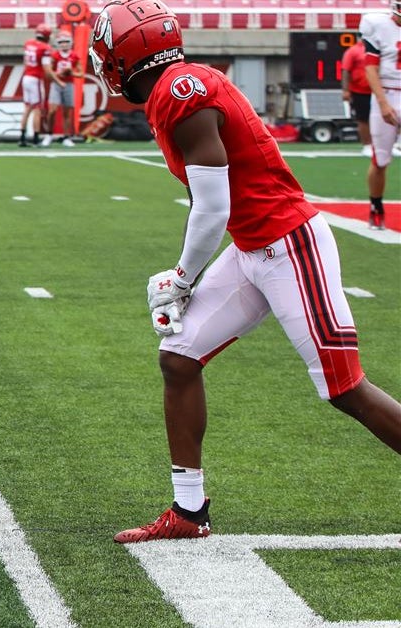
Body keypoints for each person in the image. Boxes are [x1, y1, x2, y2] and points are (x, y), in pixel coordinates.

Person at [88, 0, 401, 544]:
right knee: (179, 357)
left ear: (126, 58)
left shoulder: (181, 92)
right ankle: (189, 511)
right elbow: (213, 206)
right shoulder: (177, 87)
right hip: (253, 247)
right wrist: (185, 276)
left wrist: (181, 278)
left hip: (289, 244)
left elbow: (214, 208)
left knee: (345, 388)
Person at [359, 2, 400, 230]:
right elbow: (370, 68)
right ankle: (376, 207)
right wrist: (383, 103)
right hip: (387, 94)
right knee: (381, 159)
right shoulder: (378, 25)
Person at [42, 30, 83, 147]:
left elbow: (80, 73)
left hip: (69, 84)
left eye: (66, 41)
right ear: (58, 43)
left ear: (70, 42)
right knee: (52, 111)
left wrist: (71, 72)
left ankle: (66, 137)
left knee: (67, 112)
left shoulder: (74, 56)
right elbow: (48, 73)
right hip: (56, 84)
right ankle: (49, 134)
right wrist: (59, 74)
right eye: (61, 42)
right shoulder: (54, 55)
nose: (64, 44)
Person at [19, 24, 54, 148]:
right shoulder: (45, 47)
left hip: (26, 76)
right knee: (37, 109)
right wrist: (58, 81)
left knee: (28, 108)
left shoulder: (29, 43)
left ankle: (22, 137)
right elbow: (47, 69)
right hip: (35, 79)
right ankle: (35, 138)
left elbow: (25, 61)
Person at [341, 36, 373, 158]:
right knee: (363, 118)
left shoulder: (378, 49)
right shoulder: (353, 51)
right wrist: (345, 90)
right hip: (360, 91)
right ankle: (367, 145)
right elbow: (345, 70)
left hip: (378, 91)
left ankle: (387, 145)